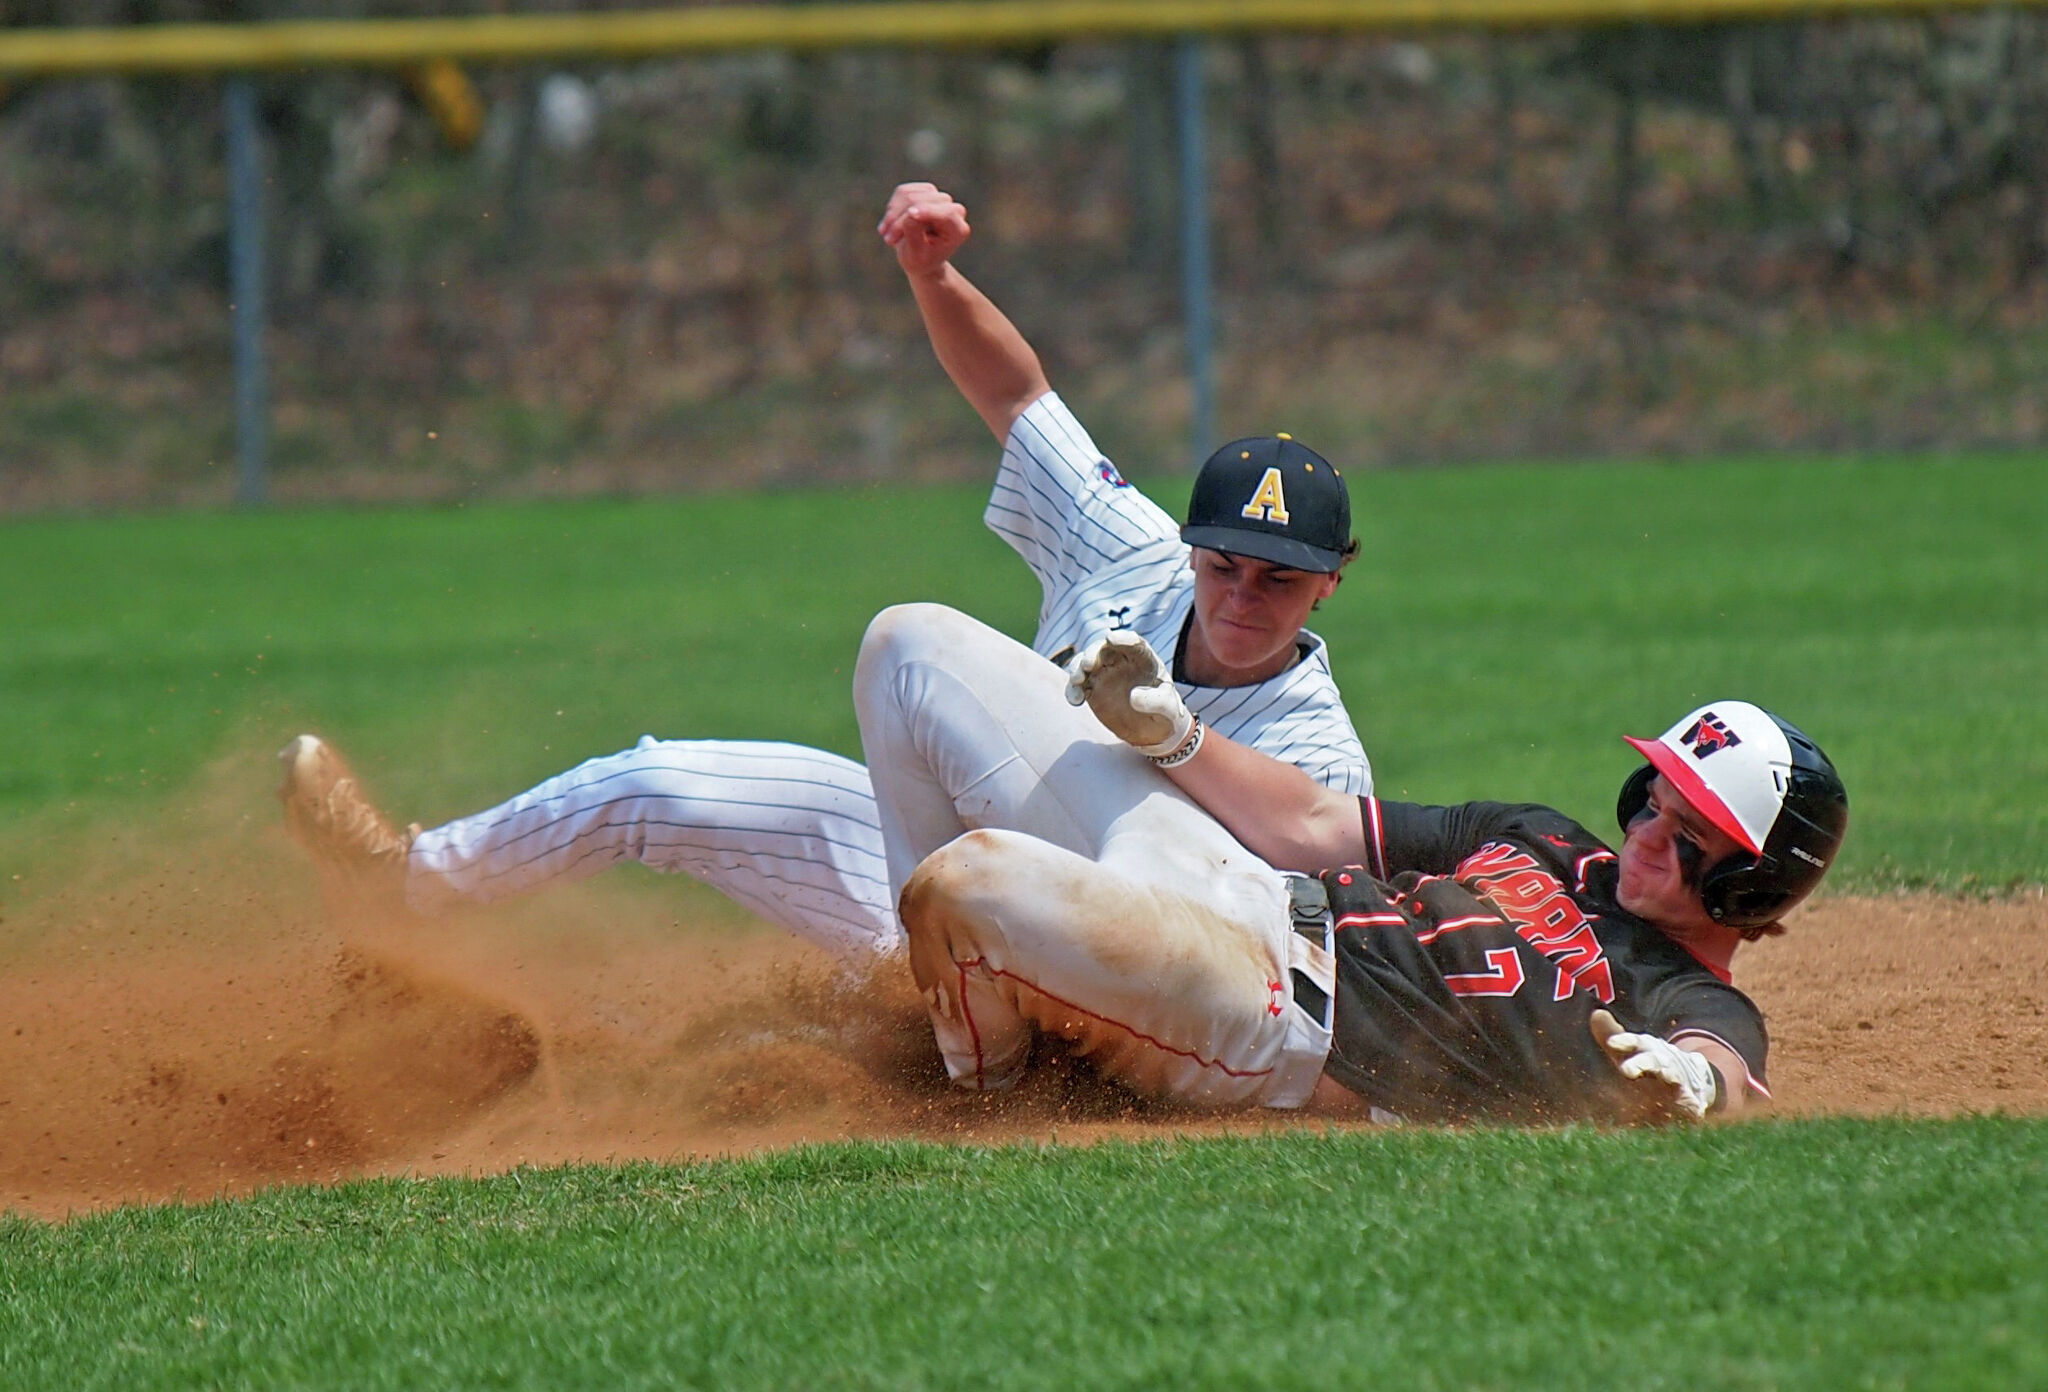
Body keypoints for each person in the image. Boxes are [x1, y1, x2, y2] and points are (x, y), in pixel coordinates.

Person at [277, 182, 1371, 960]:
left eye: (1277, 581)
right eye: (1225, 565)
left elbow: (1300, 952)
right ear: (1189, 546)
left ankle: (937, 1018)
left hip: (1084, 964)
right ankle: (404, 890)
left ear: (1329, 582)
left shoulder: (1315, 747)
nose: (1240, 596)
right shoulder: (1128, 550)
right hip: (920, 853)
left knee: (928, 666)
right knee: (652, 784)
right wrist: (931, 272)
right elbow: (1015, 397)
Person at [856, 602, 1848, 1123]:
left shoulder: (1685, 1000)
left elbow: (1721, 1073)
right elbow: (1319, 822)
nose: (1644, 833)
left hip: (1262, 1009)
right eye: (1652, 802)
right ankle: (940, 1000)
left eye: (1686, 838)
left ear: (1748, 888)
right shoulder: (1544, 835)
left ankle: (979, 1093)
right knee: (907, 647)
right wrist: (1172, 736)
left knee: (964, 885)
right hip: (1235, 886)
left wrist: (1688, 1081)